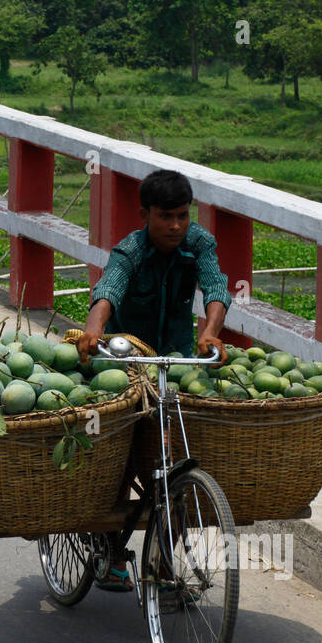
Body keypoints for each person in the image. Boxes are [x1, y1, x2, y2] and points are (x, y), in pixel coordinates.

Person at [74, 169, 232, 591]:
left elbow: (217, 286)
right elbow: (108, 290)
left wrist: (211, 330)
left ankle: (163, 559)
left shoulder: (199, 243)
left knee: (174, 460)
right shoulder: (131, 250)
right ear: (145, 214)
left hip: (175, 360)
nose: (176, 226)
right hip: (124, 361)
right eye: (166, 217)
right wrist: (93, 328)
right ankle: (108, 548)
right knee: (118, 455)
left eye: (182, 215)